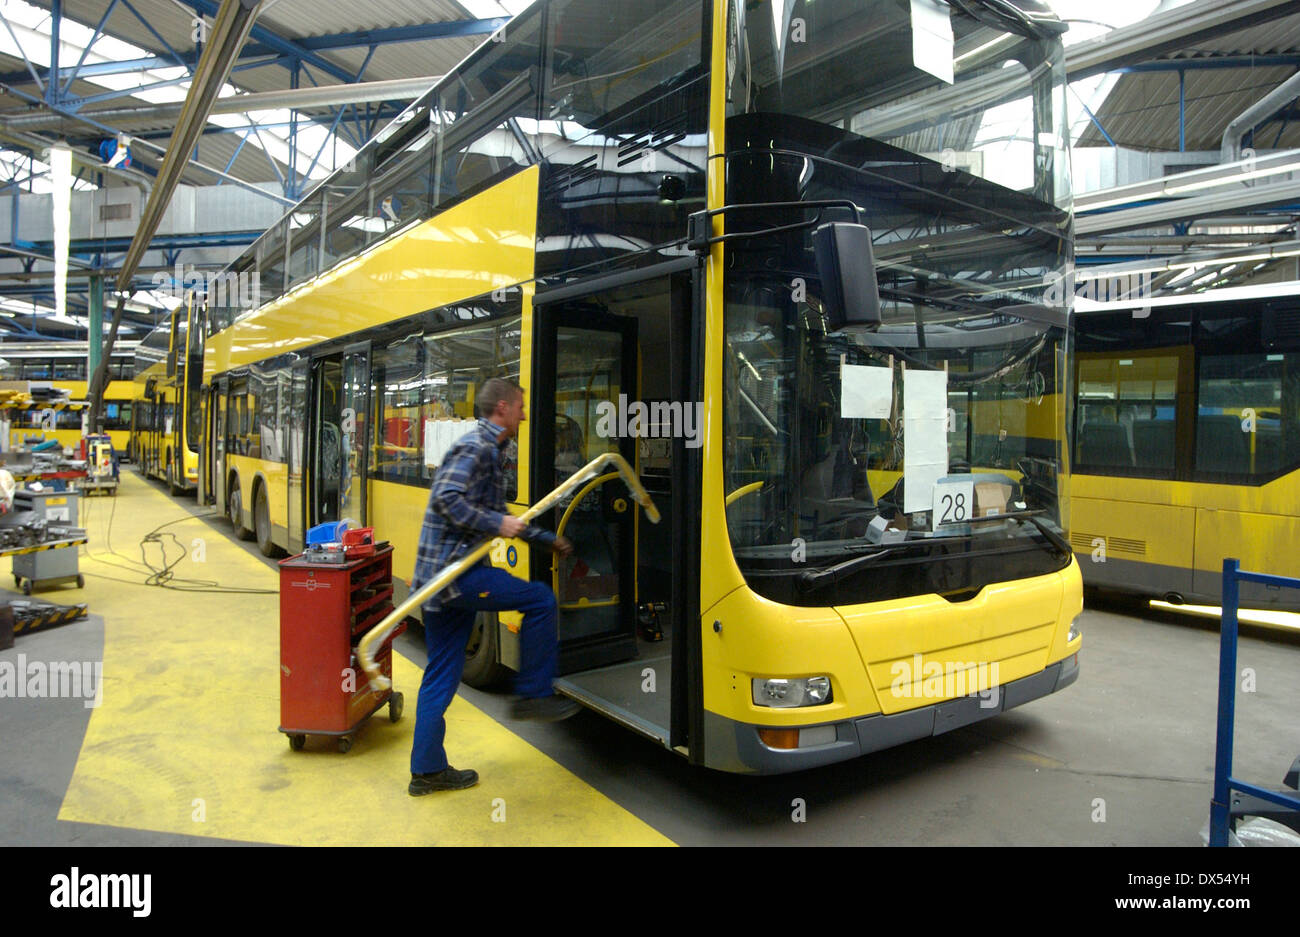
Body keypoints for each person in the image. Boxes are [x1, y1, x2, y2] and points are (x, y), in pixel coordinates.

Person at [408, 377, 578, 795]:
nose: (524, 413)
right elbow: (447, 499)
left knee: (442, 673)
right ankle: (533, 694)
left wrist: (543, 539)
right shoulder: (477, 447)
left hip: (439, 581)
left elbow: (500, 515)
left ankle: (426, 771)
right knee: (539, 599)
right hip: (454, 576)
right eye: (520, 406)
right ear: (502, 407)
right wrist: (497, 523)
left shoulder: (493, 450)